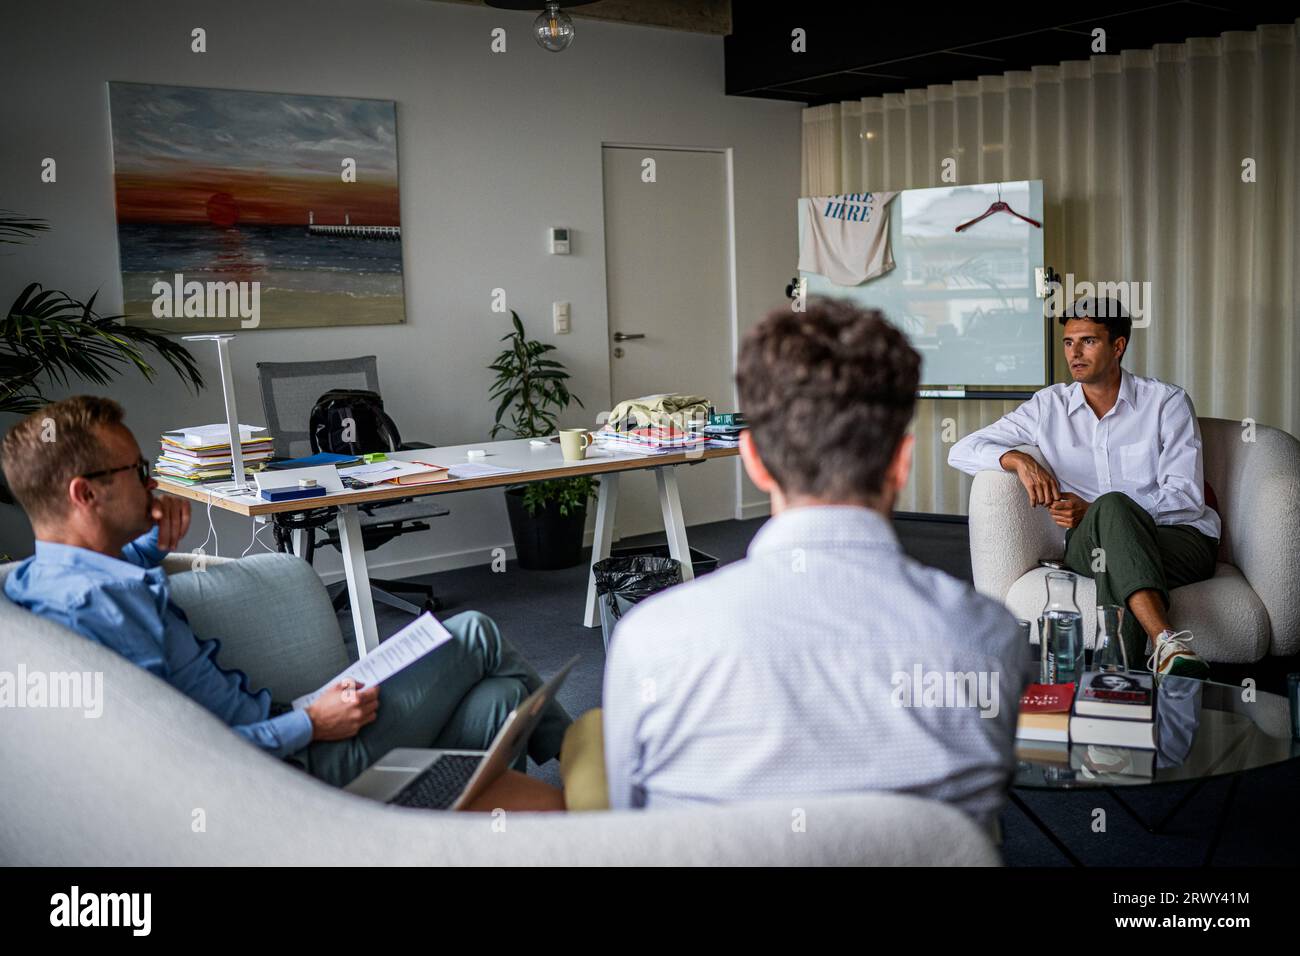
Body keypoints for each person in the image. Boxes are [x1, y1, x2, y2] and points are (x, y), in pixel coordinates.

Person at [2, 395, 568, 810]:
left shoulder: (42, 578)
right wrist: (309, 723)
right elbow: (176, 754)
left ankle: (456, 829)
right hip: (286, 765)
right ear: (86, 493)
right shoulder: (90, 612)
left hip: (284, 725)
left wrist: (148, 541)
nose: (154, 485)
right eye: (139, 472)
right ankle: (588, 758)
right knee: (471, 632)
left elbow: (111, 575)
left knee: (502, 698)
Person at [600, 299, 1027, 830]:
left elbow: (629, 829)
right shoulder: (989, 635)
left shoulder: (650, 640)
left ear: (752, 459)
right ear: (902, 462)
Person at [948, 296, 1219, 678]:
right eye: (1068, 342)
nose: (1074, 352)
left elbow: (1187, 499)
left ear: (1118, 346)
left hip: (1180, 540)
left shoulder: (1166, 403)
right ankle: (1166, 644)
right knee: (1111, 519)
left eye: (1088, 341)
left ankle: (1118, 682)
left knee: (1112, 508)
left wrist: (1097, 510)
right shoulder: (1048, 407)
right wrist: (1017, 459)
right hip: (1088, 546)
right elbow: (962, 449)